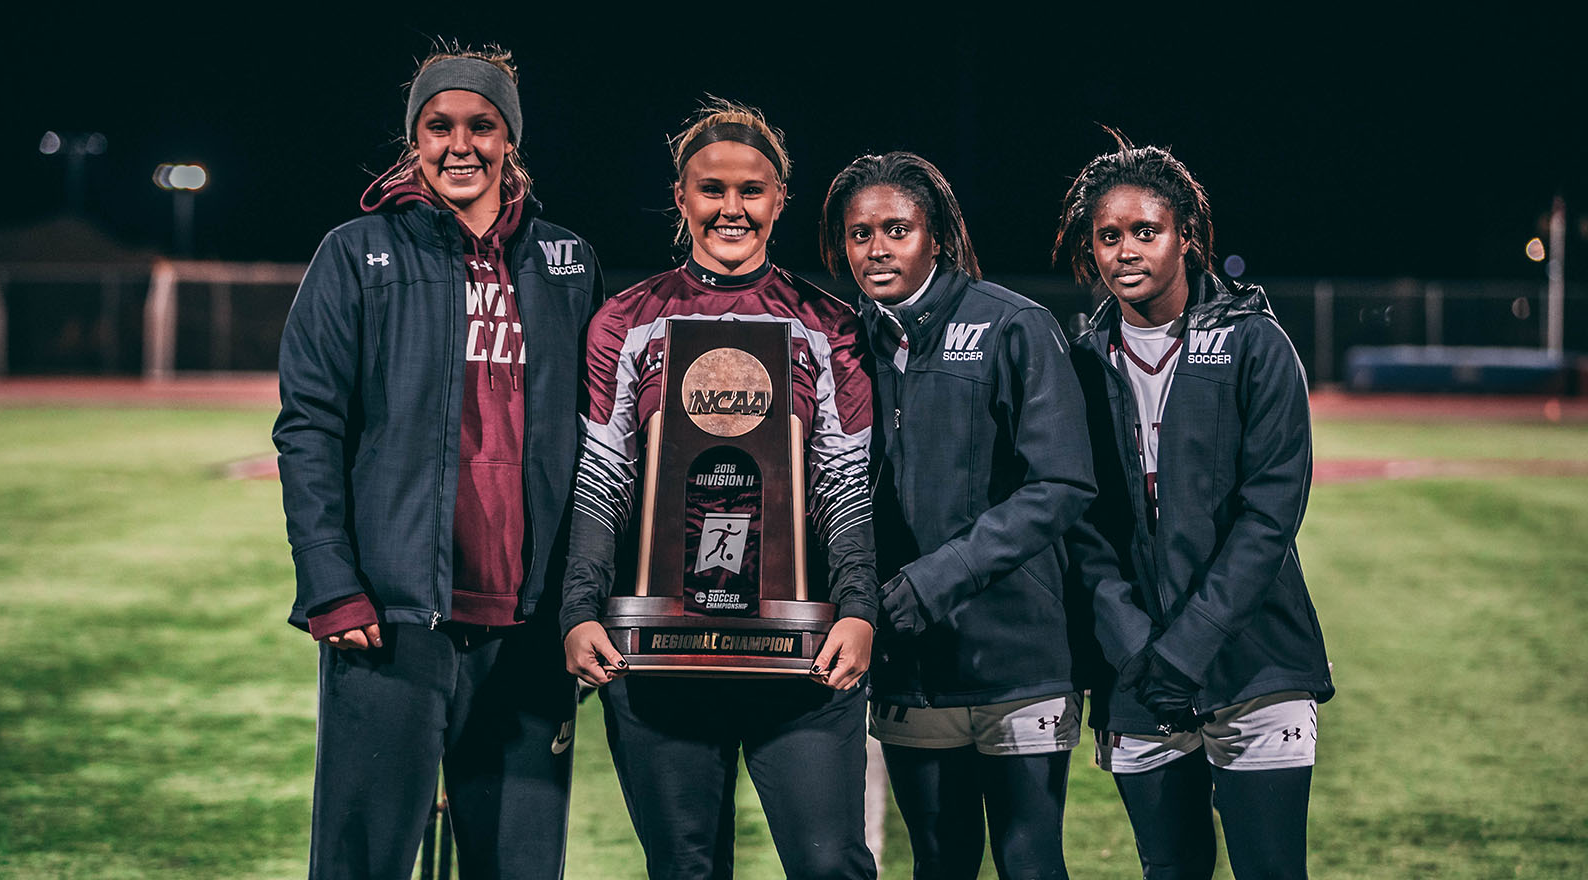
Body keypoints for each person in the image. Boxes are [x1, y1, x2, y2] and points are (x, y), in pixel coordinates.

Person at [273, 44, 601, 879]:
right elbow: (309, 426)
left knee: (521, 865)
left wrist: (584, 599)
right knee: (363, 862)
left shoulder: (566, 262)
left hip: (527, 628)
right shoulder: (355, 253)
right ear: (414, 139)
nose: (461, 145)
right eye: (439, 126)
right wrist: (330, 582)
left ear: (509, 138)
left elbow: (603, 439)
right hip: (391, 619)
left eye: (482, 126)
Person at [559, 99, 879, 880]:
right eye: (712, 188)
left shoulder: (828, 324)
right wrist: (578, 609)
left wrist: (859, 607)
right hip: (664, 655)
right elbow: (603, 478)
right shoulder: (624, 322)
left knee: (829, 865)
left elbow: (843, 481)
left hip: (799, 652)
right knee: (685, 867)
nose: (731, 207)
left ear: (780, 201)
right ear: (681, 197)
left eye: (751, 190)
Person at [1055, 131, 1334, 879]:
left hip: (1254, 662)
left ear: (1186, 237)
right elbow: (1078, 522)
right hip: (1138, 671)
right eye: (1108, 236)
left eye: (1146, 231)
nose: (1126, 251)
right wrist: (1134, 645)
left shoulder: (1257, 346)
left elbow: (1269, 515)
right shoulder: (1080, 364)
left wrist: (1189, 647)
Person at [819, 152, 1097, 879]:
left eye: (897, 229)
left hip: (1020, 660)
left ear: (936, 235)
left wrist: (934, 580)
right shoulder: (844, 344)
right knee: (939, 864)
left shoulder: (1014, 325)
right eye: (859, 234)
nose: (877, 249)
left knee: (1031, 864)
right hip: (911, 661)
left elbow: (1063, 482)